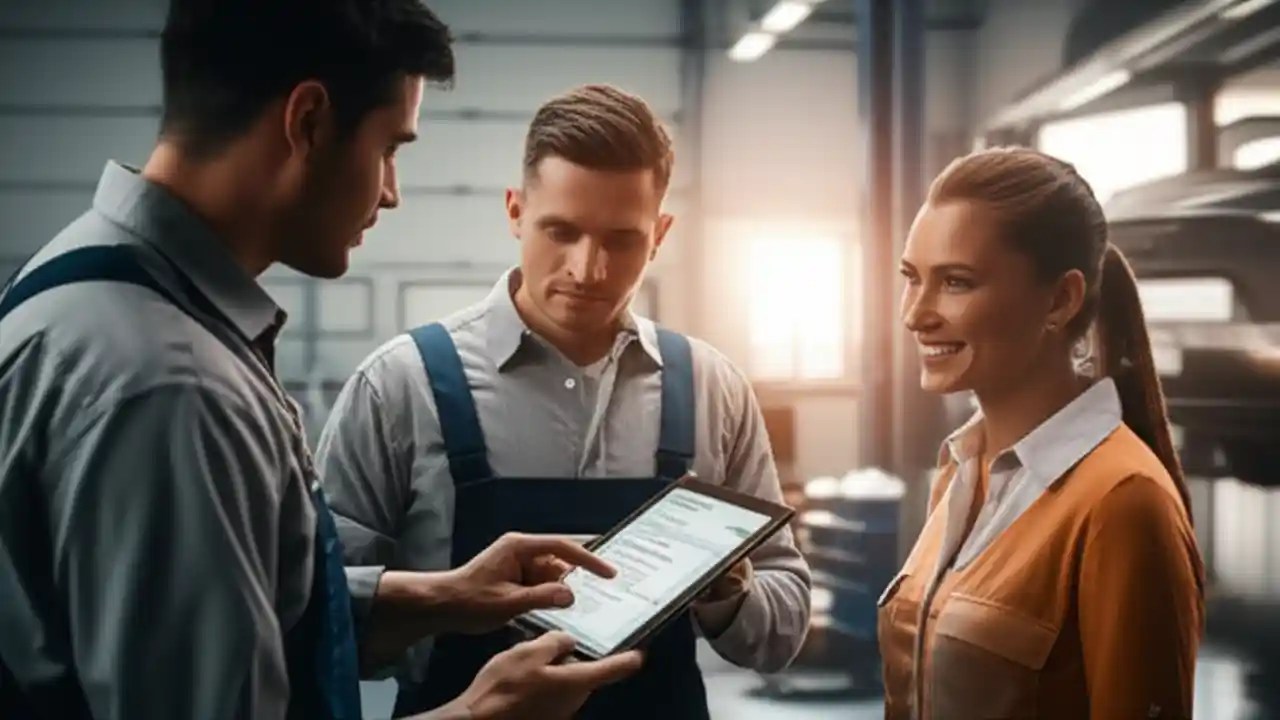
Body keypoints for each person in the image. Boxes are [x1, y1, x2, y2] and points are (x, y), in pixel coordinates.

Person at [0, 2, 644, 719]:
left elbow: (257, 613)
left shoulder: (85, 286)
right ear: (306, 121)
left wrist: (442, 597)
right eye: (389, 149)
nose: (391, 192)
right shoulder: (174, 387)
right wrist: (478, 716)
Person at [314, 83, 813, 719]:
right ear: (515, 211)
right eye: (561, 230)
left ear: (660, 233)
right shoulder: (397, 387)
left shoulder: (714, 390)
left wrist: (727, 588)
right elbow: (320, 625)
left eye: (621, 239)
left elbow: (781, 632)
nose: (588, 269)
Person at [878, 146, 1205, 719]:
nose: (915, 314)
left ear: (1060, 299)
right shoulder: (959, 469)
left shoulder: (1123, 503)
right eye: (911, 279)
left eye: (955, 282)